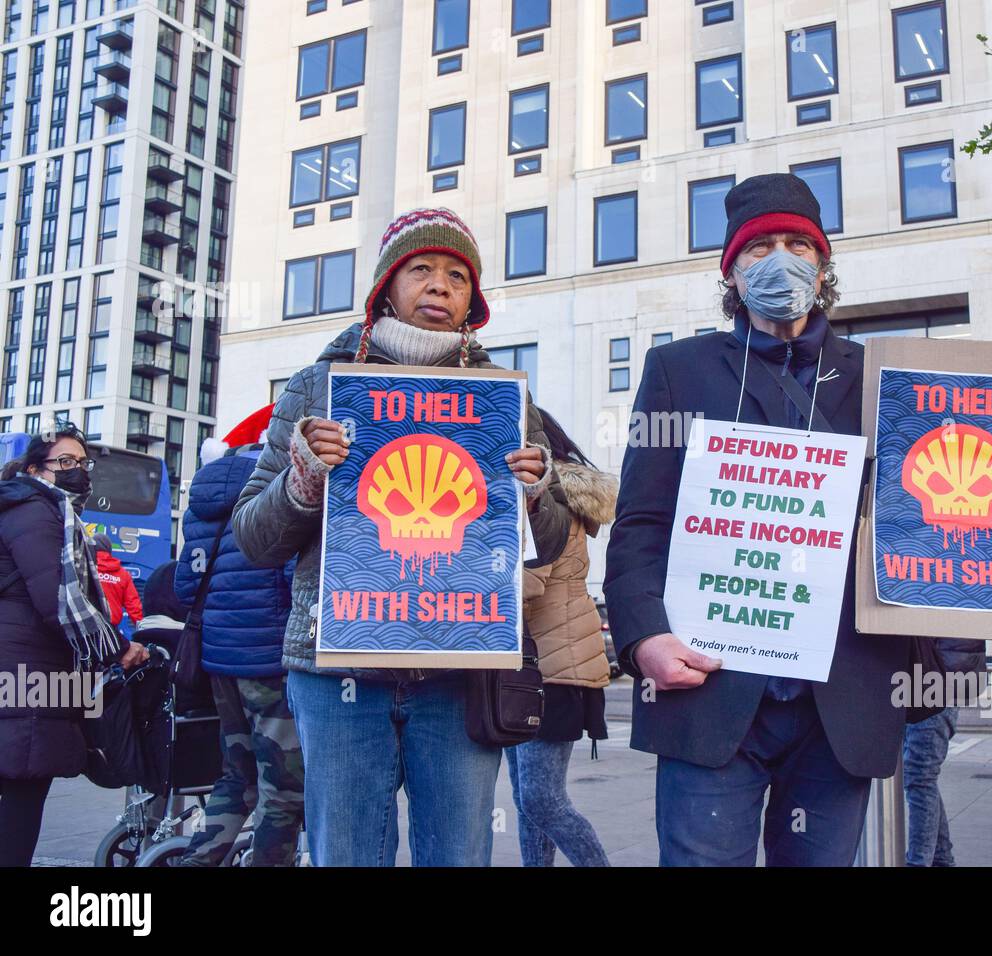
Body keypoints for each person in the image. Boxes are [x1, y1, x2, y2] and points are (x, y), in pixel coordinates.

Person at [603, 173, 992, 866]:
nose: (780, 259)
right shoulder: (677, 370)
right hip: (709, 695)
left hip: (841, 702)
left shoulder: (892, 379)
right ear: (731, 273)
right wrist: (644, 635)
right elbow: (642, 521)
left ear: (823, 265)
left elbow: (947, 503)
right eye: (759, 246)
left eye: (797, 243)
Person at [233, 207, 572, 867]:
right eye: (421, 270)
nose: (440, 286)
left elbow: (553, 542)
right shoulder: (317, 387)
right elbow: (255, 538)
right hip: (338, 669)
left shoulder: (505, 401)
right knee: (349, 855)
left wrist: (536, 492)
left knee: (459, 853)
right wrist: (303, 480)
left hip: (460, 670)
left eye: (457, 276)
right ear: (387, 285)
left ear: (473, 300)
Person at [0, 424, 147, 866]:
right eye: (64, 462)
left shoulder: (42, 512)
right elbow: (58, 599)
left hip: (32, 674)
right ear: (33, 469)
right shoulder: (36, 512)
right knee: (22, 798)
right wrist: (118, 648)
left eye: (82, 463)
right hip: (28, 678)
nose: (77, 471)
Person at [175, 442, 303, 867]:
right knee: (283, 790)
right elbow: (295, 584)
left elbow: (183, 589)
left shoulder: (201, 506)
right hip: (269, 664)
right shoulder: (272, 496)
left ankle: (197, 862)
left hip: (218, 663)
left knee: (236, 776)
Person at [508, 407, 615, 867]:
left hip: (555, 668)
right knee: (527, 802)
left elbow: (531, 582)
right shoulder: (554, 495)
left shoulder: (554, 502)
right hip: (534, 667)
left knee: (540, 800)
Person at [901, 638, 984, 867]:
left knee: (920, 777)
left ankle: (920, 862)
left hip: (935, 680)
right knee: (922, 777)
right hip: (927, 678)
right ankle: (941, 859)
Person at [92, 533, 143, 633]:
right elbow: (134, 607)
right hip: (111, 631)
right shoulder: (123, 574)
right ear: (109, 549)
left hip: (87, 630)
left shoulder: (85, 569)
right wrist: (144, 631)